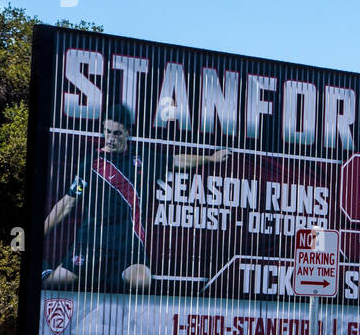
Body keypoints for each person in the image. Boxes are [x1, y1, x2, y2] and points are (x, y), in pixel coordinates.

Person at [41, 104, 229, 292]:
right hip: (93, 245)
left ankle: (111, 282)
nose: (111, 139)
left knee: (142, 281)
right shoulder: (91, 164)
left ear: (127, 133)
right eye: (107, 132)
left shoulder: (143, 158)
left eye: (117, 133)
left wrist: (210, 158)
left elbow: (176, 161)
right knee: (53, 283)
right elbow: (67, 203)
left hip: (128, 247)